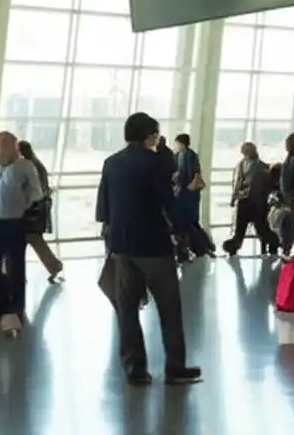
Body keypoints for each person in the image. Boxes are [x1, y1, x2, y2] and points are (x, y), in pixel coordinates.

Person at [95, 112, 201, 386]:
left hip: (121, 245)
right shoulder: (155, 163)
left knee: (127, 308)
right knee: (169, 307)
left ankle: (135, 368)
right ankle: (175, 368)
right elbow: (167, 200)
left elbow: (104, 205)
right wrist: (180, 228)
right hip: (152, 244)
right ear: (149, 135)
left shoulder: (111, 163)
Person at [0, 131, 40, 336]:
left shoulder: (25, 166)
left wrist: (23, 206)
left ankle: (15, 310)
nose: (4, 150)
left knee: (16, 267)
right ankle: (3, 305)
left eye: (9, 145)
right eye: (0, 146)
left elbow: (36, 192)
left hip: (15, 222)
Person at [18, 141, 64, 284]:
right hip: (38, 211)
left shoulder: (27, 167)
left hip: (29, 211)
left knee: (22, 242)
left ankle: (18, 274)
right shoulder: (38, 165)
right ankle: (54, 266)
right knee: (35, 241)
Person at [223, 142, 280, 257]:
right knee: (247, 228)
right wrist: (234, 197)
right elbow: (238, 182)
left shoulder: (260, 167)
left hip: (256, 203)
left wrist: (234, 198)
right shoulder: (254, 166)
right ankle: (234, 246)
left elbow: (239, 183)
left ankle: (273, 242)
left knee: (259, 228)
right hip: (248, 201)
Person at [171, 134, 211, 261]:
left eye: (177, 143)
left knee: (189, 222)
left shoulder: (189, 156)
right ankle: (199, 247)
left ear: (182, 144)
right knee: (188, 223)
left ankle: (200, 247)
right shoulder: (180, 156)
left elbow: (189, 174)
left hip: (188, 194)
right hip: (185, 194)